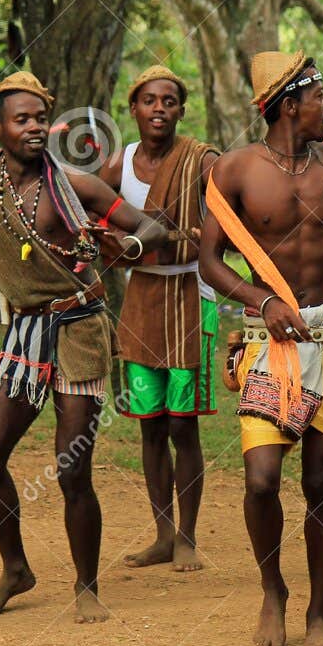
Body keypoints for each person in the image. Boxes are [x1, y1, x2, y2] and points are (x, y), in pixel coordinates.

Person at [0, 70, 167, 622]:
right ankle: (16, 568)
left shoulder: (75, 185)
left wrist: (124, 241)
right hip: (25, 335)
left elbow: (154, 229)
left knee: (71, 469)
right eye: (20, 119)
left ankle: (87, 583)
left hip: (79, 329)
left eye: (38, 118)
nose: (32, 128)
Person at [199, 50, 323, 646]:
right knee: (260, 479)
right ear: (288, 106)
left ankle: (319, 612)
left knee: (317, 480)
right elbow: (210, 261)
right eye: (319, 98)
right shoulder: (234, 170)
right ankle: (273, 590)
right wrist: (261, 302)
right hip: (269, 341)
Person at [99, 65, 220, 573]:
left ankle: (188, 535)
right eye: (149, 101)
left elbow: (231, 211)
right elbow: (92, 212)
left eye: (169, 102)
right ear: (133, 109)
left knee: (181, 424)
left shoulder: (201, 160)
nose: (159, 110)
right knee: (150, 426)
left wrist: (204, 235)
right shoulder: (118, 163)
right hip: (142, 298)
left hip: (191, 292)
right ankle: (163, 534)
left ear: (181, 110)